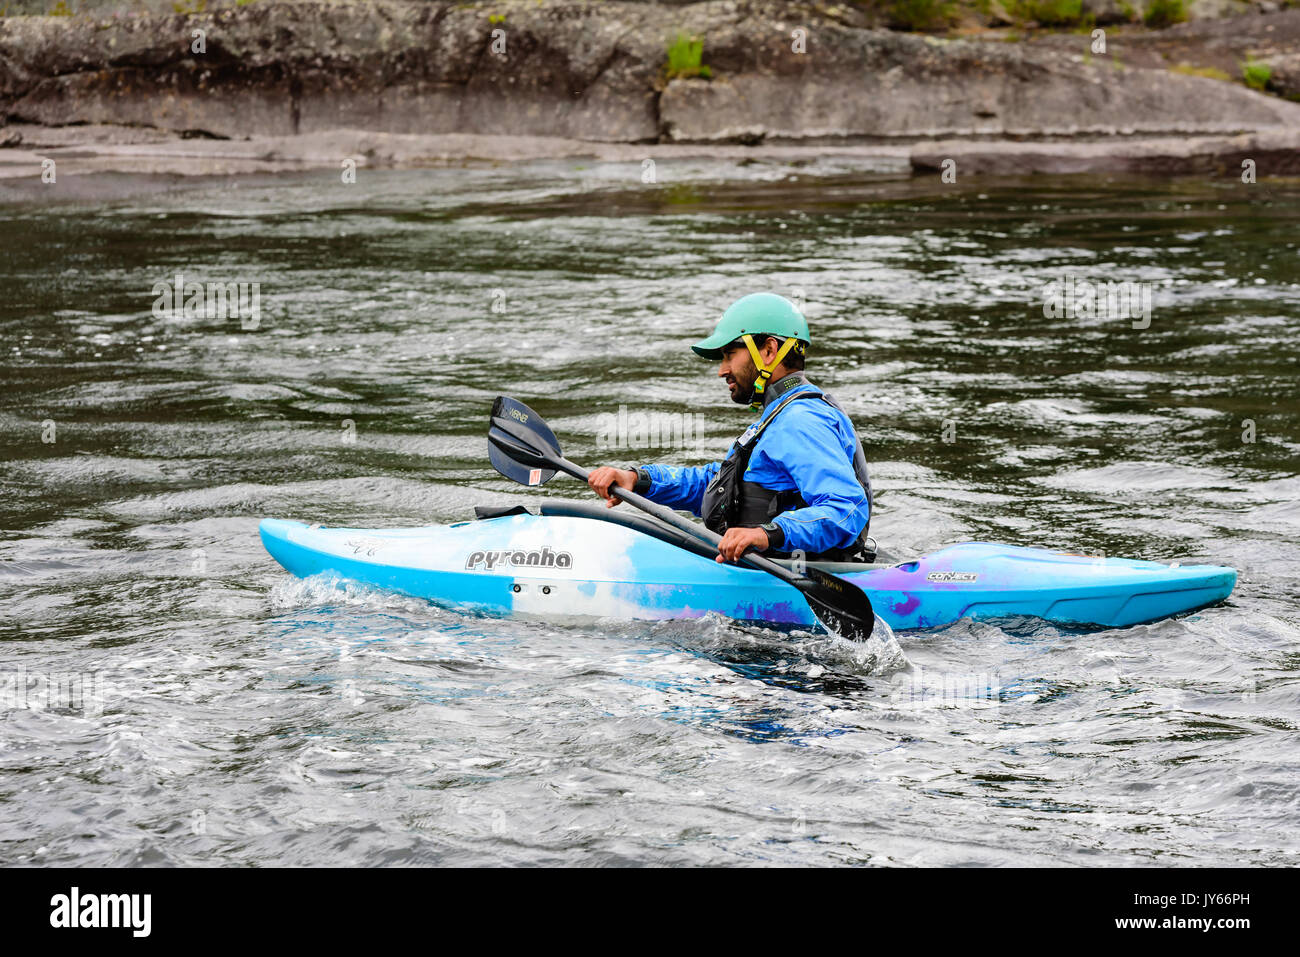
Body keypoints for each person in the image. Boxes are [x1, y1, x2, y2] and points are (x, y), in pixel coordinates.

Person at [588, 293, 873, 564]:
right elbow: (722, 488)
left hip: (796, 576)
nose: (722, 370)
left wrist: (766, 534)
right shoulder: (781, 415)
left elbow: (846, 508)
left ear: (769, 350)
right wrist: (638, 480)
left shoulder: (801, 421)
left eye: (729, 354)